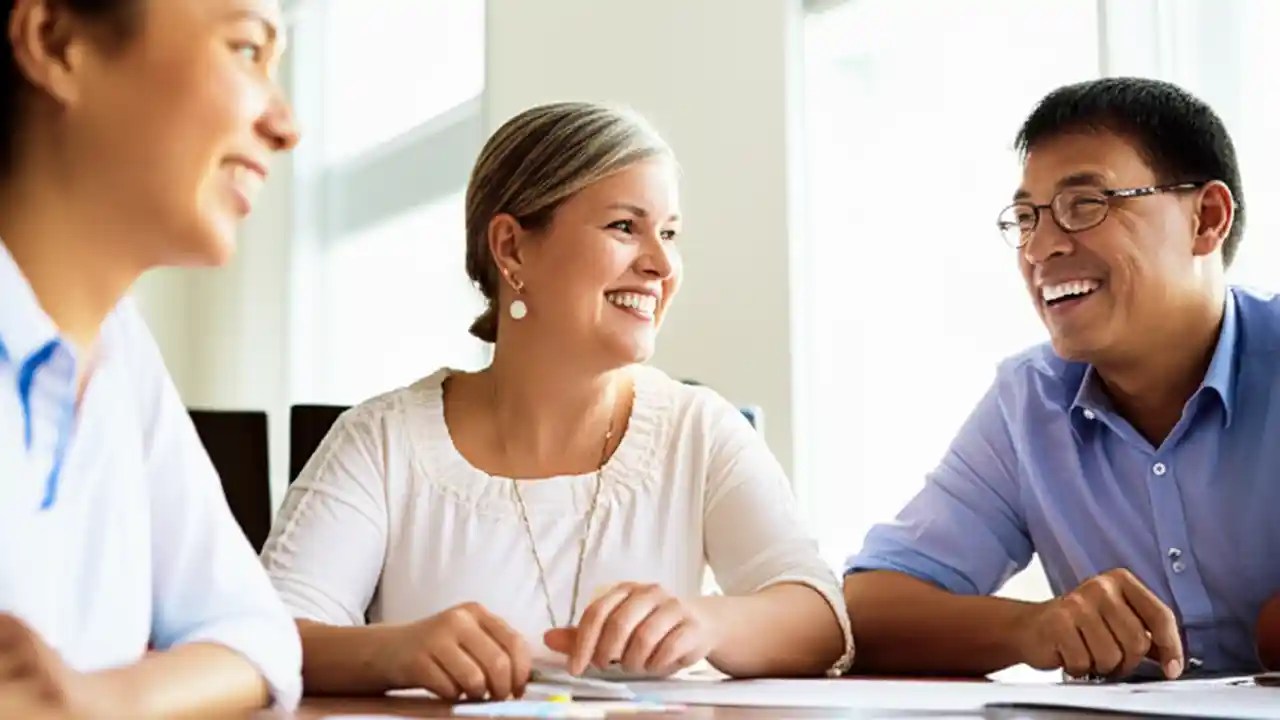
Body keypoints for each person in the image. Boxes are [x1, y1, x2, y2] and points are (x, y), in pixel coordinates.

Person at [260, 101, 853, 701]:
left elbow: (824, 622)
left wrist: (708, 621)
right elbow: (264, 637)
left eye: (669, 233)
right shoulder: (384, 440)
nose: (662, 264)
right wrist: (395, 650)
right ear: (512, 248)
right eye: (625, 227)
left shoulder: (699, 430)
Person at [843, 77, 1280, 681]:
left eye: (1086, 205)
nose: (1041, 248)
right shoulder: (1029, 402)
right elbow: (864, 613)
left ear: (1206, 219)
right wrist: (1033, 627)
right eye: (1026, 218)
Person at [0, 0, 302, 716]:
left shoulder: (120, 354)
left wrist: (95, 701)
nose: (287, 126)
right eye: (246, 50)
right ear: (57, 41)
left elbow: (260, 636)